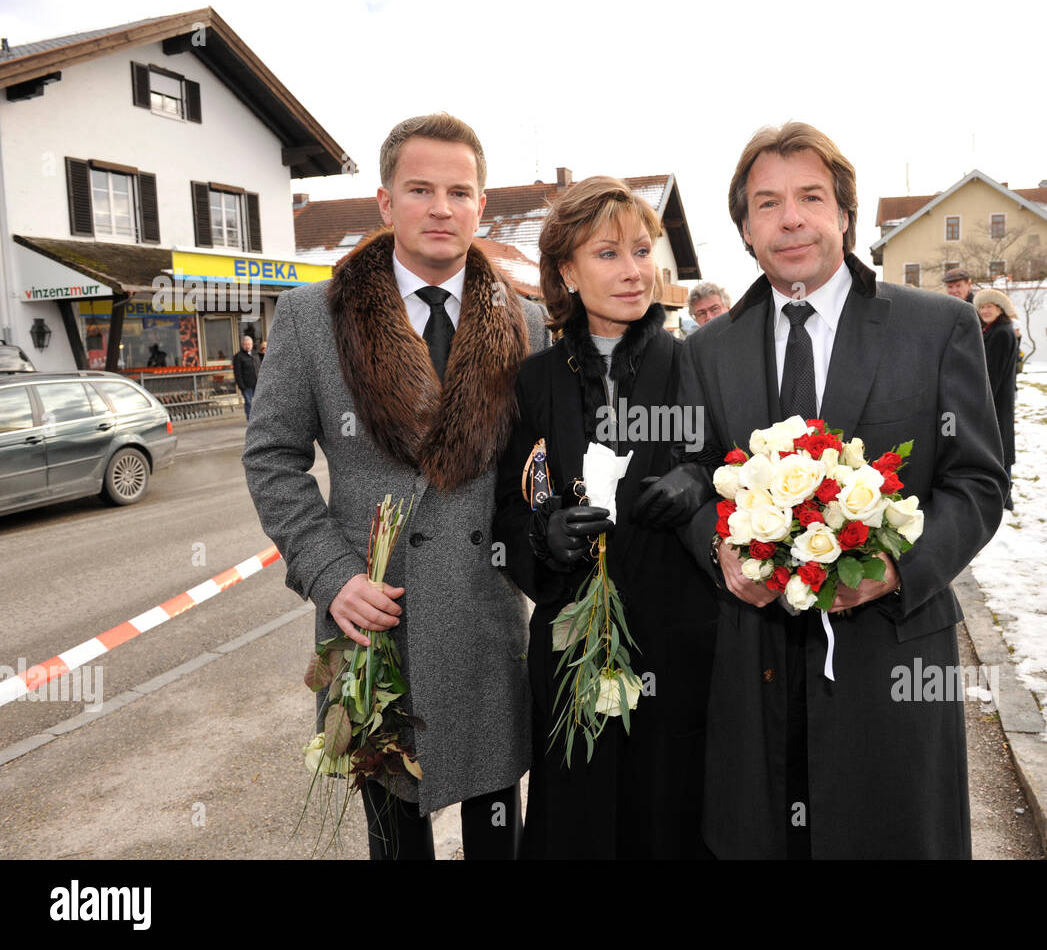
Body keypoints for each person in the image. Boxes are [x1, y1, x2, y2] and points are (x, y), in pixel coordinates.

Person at [677, 122, 1007, 859]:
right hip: (753, 665)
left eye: (810, 197)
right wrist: (719, 550)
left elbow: (977, 482)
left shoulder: (937, 328)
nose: (790, 218)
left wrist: (895, 569)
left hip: (886, 662)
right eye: (767, 203)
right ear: (744, 229)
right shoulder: (705, 352)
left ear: (845, 216)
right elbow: (691, 479)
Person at [243, 113, 548, 860]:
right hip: (374, 616)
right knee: (395, 840)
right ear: (385, 203)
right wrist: (330, 575)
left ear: (481, 207)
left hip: (483, 617)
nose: (442, 208)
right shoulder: (318, 316)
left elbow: (540, 472)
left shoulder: (530, 323)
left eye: (460, 191)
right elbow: (272, 456)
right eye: (421, 189)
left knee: (496, 828)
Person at [493, 176, 717, 859]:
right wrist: (544, 537)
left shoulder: (692, 364)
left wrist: (695, 483)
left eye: (642, 251)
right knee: (578, 818)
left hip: (676, 641)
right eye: (607, 254)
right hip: (574, 646)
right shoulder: (534, 380)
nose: (632, 272)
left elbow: (729, 467)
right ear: (566, 269)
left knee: (668, 809)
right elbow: (506, 506)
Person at [974, 288, 1019, 510]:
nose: (985, 310)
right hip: (999, 397)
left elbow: (993, 372)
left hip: (996, 398)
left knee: (1000, 444)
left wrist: (983, 399)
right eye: (982, 307)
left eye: (989, 306)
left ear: (999, 309)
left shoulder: (1001, 332)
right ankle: (1003, 493)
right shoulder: (993, 329)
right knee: (1000, 443)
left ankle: (1004, 494)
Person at [233, 335, 259, 419]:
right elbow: (237, 372)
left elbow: (259, 367)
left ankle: (257, 418)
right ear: (242, 345)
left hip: (257, 383)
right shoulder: (238, 356)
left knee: (257, 402)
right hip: (246, 384)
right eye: (246, 344)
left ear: (252, 344)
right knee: (248, 402)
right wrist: (241, 385)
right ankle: (250, 418)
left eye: (249, 344)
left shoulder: (255, 354)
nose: (248, 346)